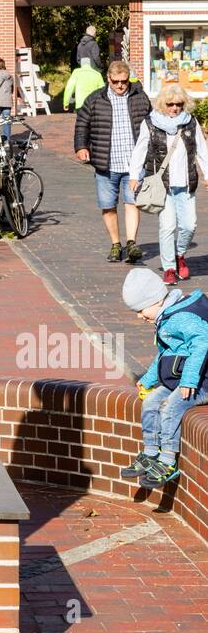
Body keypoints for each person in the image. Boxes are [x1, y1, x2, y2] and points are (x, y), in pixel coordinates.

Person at [121, 267, 208, 488]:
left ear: (157, 301)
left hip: (201, 381)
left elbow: (203, 342)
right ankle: (151, 452)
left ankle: (168, 461)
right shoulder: (167, 317)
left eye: (141, 310)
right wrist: (149, 380)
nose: (140, 316)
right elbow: (165, 354)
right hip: (180, 379)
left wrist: (189, 380)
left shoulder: (182, 318)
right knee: (150, 401)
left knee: (170, 407)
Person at [128, 83, 208, 285]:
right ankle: (170, 268)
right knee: (167, 226)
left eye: (178, 104)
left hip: (186, 184)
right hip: (162, 185)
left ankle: (180, 254)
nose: (174, 108)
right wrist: (134, 174)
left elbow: (201, 150)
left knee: (189, 225)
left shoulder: (190, 122)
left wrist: (207, 174)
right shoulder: (151, 123)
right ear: (163, 103)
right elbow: (140, 148)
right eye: (170, 104)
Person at [74, 59, 151, 263]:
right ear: (108, 78)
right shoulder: (95, 99)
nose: (119, 85)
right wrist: (81, 146)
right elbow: (82, 124)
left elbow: (151, 126)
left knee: (132, 202)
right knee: (108, 206)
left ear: (128, 80)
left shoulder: (140, 98)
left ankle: (132, 243)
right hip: (105, 162)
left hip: (133, 164)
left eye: (123, 82)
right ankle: (116, 244)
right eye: (115, 81)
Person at [0, 57, 14, 137]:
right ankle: (7, 140)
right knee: (7, 121)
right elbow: (12, 89)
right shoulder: (9, 76)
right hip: (7, 102)